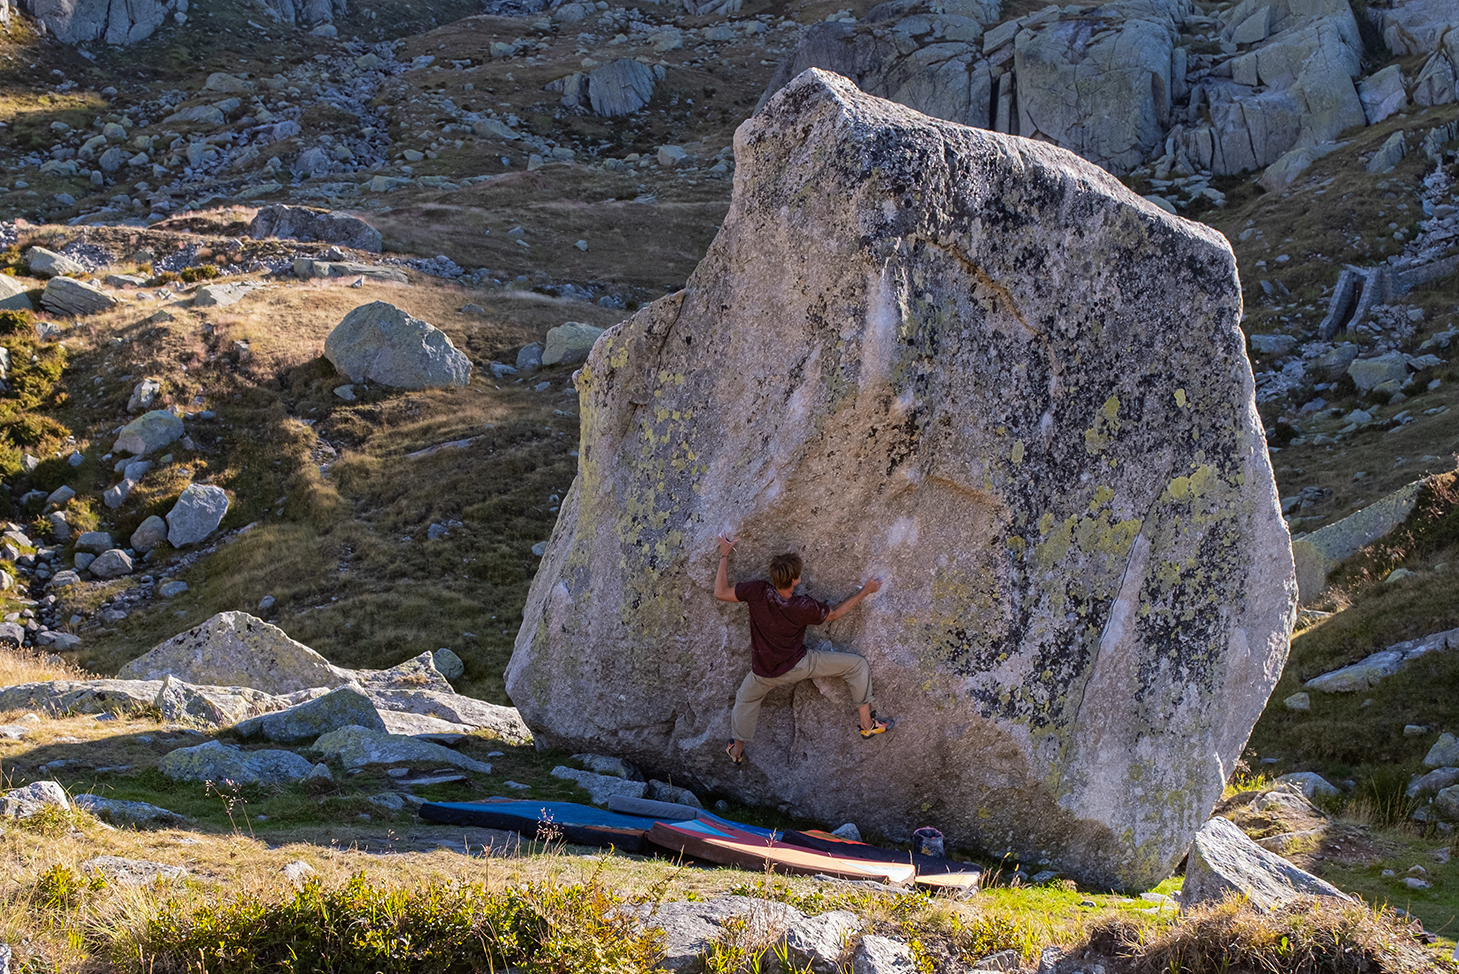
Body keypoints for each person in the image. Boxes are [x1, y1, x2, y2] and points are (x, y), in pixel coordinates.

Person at [714, 533, 893, 765]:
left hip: (764, 672)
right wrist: (865, 591)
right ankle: (867, 725)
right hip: (799, 665)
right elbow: (834, 614)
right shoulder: (802, 606)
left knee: (745, 700)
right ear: (795, 580)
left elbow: (721, 592)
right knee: (857, 665)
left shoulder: (757, 591)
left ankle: (737, 751)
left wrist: (724, 554)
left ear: (773, 576)